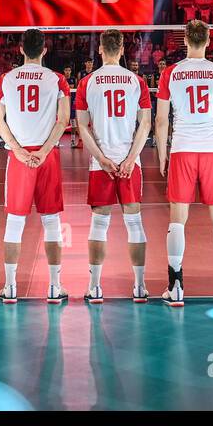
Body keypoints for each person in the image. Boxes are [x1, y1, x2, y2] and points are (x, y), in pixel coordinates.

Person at [155, 20, 213, 306]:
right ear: (208, 41)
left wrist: (162, 153)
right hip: (212, 150)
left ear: (185, 41)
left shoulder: (170, 73)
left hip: (182, 148)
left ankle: (175, 286)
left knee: (177, 219)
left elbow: (161, 119)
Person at [0, 28, 71, 304]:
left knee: (14, 223)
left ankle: (10, 287)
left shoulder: (6, 80)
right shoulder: (57, 80)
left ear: (21, 49)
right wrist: (45, 151)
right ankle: (54, 286)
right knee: (52, 222)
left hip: (19, 158)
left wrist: (19, 151)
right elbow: (63, 121)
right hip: (47, 157)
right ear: (45, 50)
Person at [76, 28, 152, 303]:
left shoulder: (87, 83)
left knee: (99, 225)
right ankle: (140, 287)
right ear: (122, 50)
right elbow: (145, 124)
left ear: (100, 50)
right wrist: (131, 159)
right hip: (130, 162)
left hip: (102, 163)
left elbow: (82, 127)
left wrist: (102, 159)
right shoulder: (136, 82)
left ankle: (95, 287)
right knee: (135, 223)